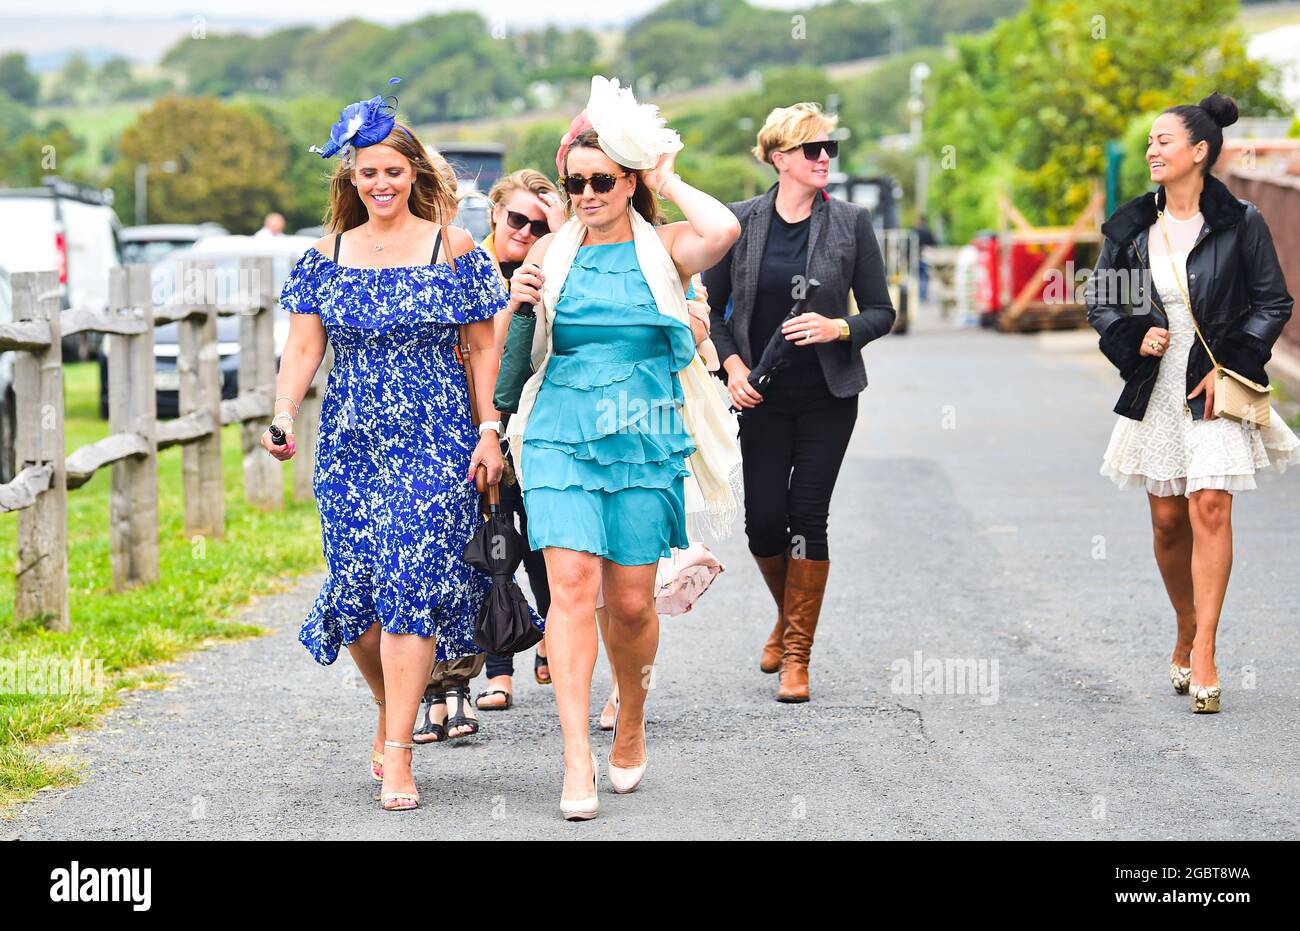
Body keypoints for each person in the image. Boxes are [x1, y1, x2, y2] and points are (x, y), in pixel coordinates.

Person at [262, 79, 531, 810]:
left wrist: (488, 433)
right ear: (351, 176)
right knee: (357, 600)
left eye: (393, 169)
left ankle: (402, 754)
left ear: (415, 173)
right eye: (368, 171)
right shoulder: (327, 255)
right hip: (349, 446)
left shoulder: (454, 247)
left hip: (434, 442)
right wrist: (284, 412)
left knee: (411, 587)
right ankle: (393, 716)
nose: (380, 182)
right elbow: (302, 346)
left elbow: (482, 350)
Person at [501, 76, 741, 820]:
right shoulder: (552, 255)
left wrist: (666, 175)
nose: (586, 194)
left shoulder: (666, 249)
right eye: (575, 183)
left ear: (629, 180)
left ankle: (629, 714)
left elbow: (725, 229)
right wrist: (521, 301)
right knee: (570, 587)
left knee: (632, 602)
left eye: (603, 180)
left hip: (643, 434)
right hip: (559, 430)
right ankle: (575, 755)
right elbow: (521, 351)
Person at [1088, 92, 1298, 714]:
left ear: (1199, 152)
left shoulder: (1243, 221)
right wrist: (1133, 333)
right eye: (1150, 142)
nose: (1152, 150)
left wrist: (1232, 363)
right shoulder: (1130, 226)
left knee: (1209, 504)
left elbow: (1272, 302)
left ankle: (1205, 646)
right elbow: (1101, 299)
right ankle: (1185, 623)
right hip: (1156, 382)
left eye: (1164, 141)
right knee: (1167, 519)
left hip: (1214, 379)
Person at [703, 102, 895, 704]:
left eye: (829, 150)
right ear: (779, 158)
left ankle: (796, 656)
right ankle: (790, 617)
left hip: (827, 397)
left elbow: (883, 312)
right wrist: (731, 367)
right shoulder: (739, 222)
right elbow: (711, 309)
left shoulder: (851, 222)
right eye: (812, 150)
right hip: (758, 395)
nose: (823, 160)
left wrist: (839, 329)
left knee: (807, 516)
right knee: (763, 520)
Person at [473, 169, 566, 712]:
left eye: (539, 224)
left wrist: (559, 235)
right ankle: (500, 668)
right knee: (498, 539)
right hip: (484, 419)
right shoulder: (470, 265)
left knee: (543, 540)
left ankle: (553, 637)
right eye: (517, 220)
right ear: (494, 212)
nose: (527, 232)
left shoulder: (561, 259)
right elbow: (484, 348)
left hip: (546, 419)